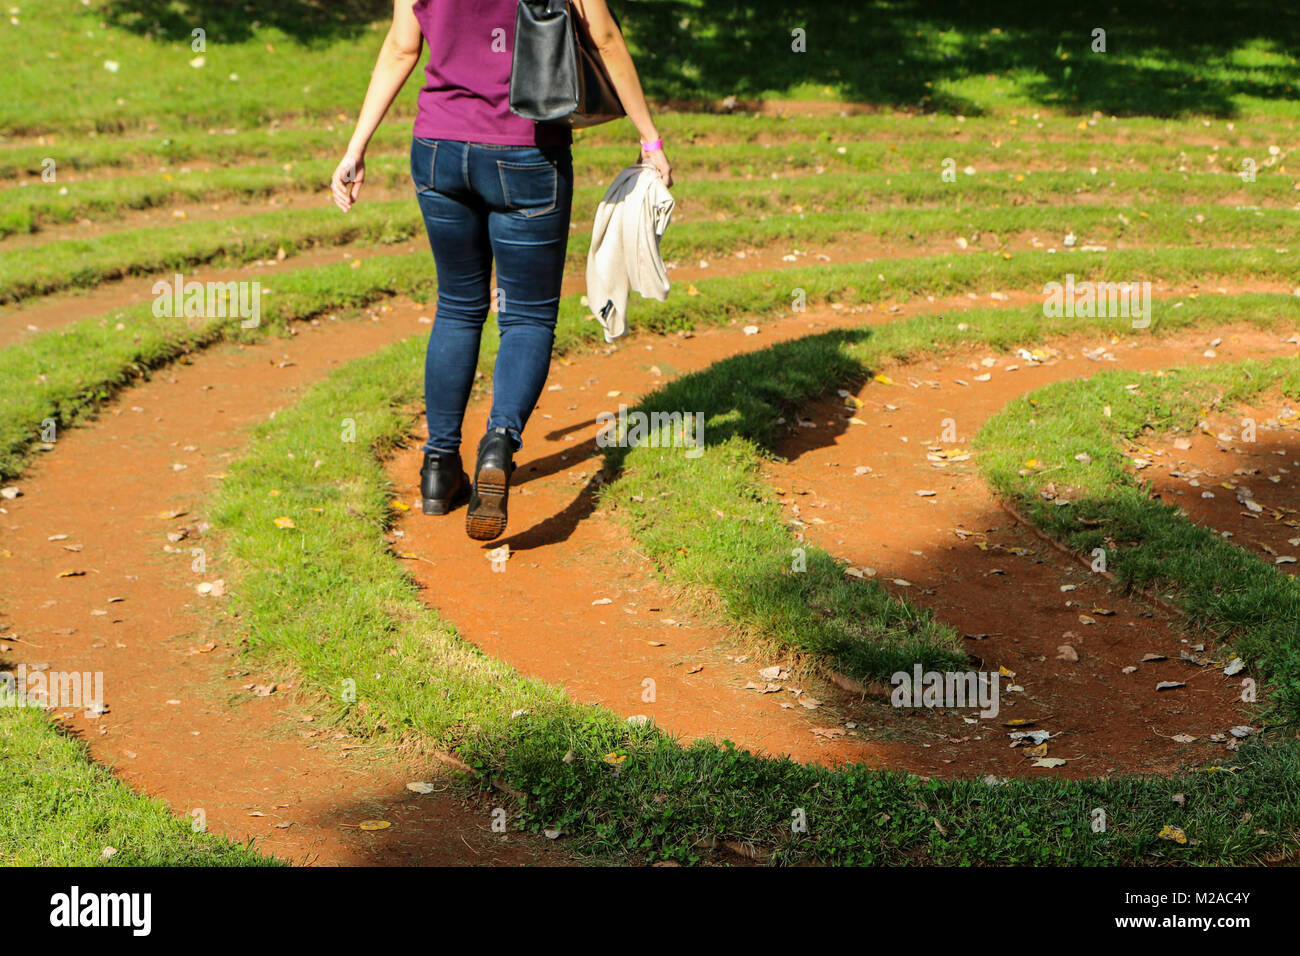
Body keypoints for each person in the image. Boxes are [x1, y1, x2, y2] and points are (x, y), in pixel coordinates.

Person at [330, 0, 672, 541]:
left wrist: (356, 148)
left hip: (438, 152)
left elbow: (401, 46)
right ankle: (499, 443)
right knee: (529, 317)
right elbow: (603, 38)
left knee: (458, 307)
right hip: (526, 155)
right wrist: (649, 139)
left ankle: (439, 469)